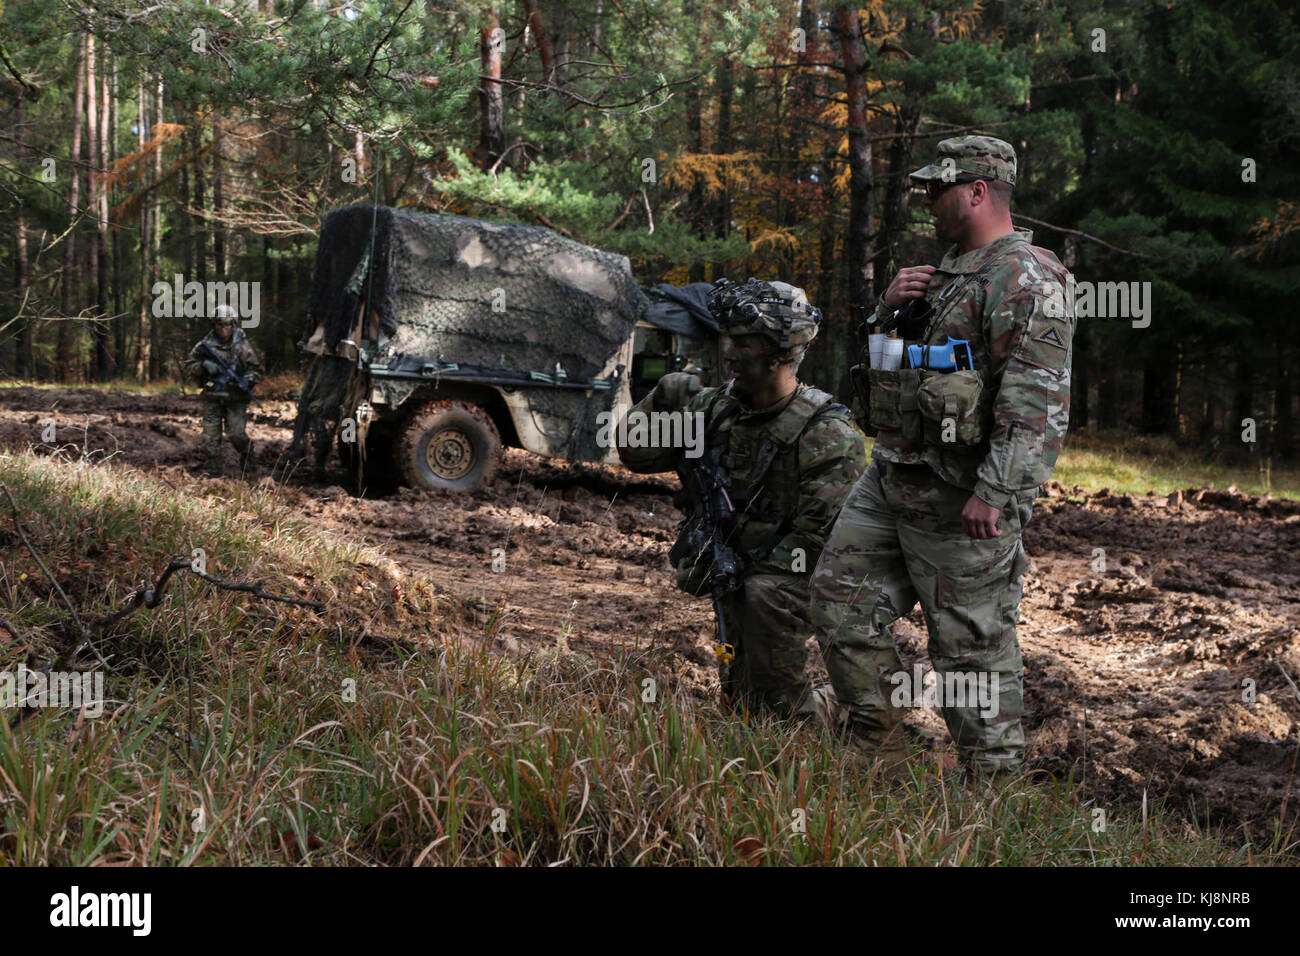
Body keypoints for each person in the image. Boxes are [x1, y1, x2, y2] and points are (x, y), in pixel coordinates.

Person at [811, 136, 1075, 776]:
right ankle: (882, 755)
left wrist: (996, 492)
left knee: (968, 650)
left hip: (963, 498)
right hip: (892, 477)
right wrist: (886, 310)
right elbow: (894, 368)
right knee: (839, 603)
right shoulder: (945, 273)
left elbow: (1036, 403)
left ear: (978, 191)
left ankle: (995, 794)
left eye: (937, 189)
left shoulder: (1026, 278)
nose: (926, 201)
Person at [618, 279, 866, 725]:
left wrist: (749, 570)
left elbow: (822, 539)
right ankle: (749, 712)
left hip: (793, 578)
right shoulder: (714, 411)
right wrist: (659, 400)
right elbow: (636, 454)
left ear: (782, 352)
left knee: (777, 709)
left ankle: (844, 708)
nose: (729, 352)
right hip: (738, 569)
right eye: (728, 338)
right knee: (740, 693)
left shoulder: (825, 432)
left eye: (745, 342)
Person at [184, 304, 263, 477]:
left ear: (233, 324)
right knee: (210, 437)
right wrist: (202, 365)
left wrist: (248, 380)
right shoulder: (204, 345)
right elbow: (188, 366)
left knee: (236, 434)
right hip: (212, 396)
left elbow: (255, 370)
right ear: (214, 324)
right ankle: (212, 469)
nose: (223, 328)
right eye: (219, 324)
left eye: (227, 324)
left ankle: (247, 455)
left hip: (236, 397)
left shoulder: (243, 346)